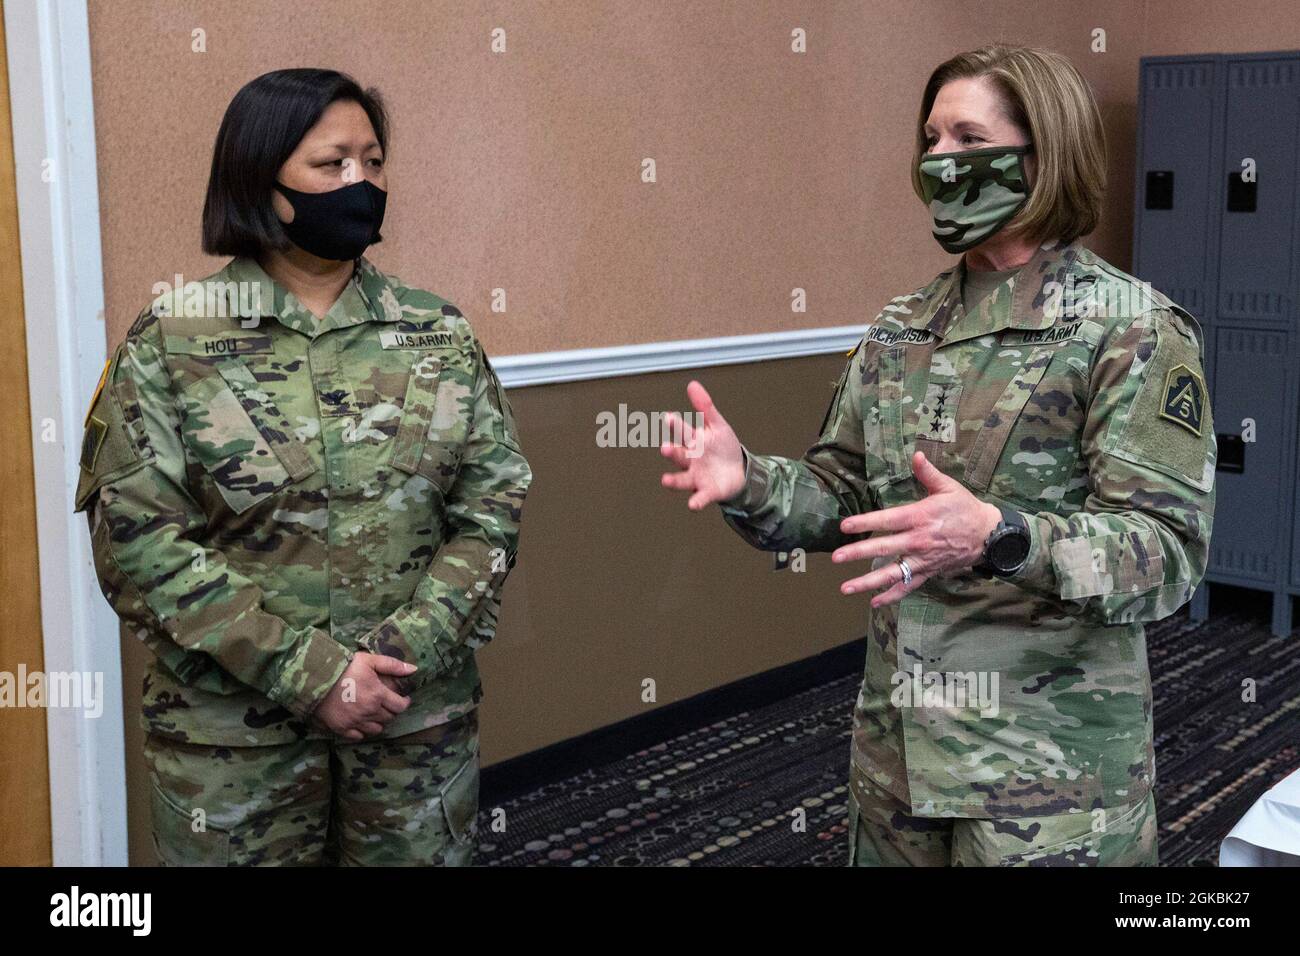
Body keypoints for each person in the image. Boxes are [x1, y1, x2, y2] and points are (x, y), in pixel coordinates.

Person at [659, 45, 1215, 866]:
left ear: (1042, 152)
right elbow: (845, 494)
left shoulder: (1131, 328)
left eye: (967, 138)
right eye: (930, 140)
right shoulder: (901, 326)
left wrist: (1000, 534)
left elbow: (1166, 556)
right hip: (899, 757)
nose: (939, 162)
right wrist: (753, 482)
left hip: (1048, 777)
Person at [74, 68, 531, 866]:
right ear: (261, 179)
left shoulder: (437, 333)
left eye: (374, 161)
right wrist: (314, 675)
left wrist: (404, 652)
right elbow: (140, 543)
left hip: (410, 721)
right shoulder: (173, 341)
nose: (361, 182)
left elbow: (491, 504)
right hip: (233, 750)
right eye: (333, 164)